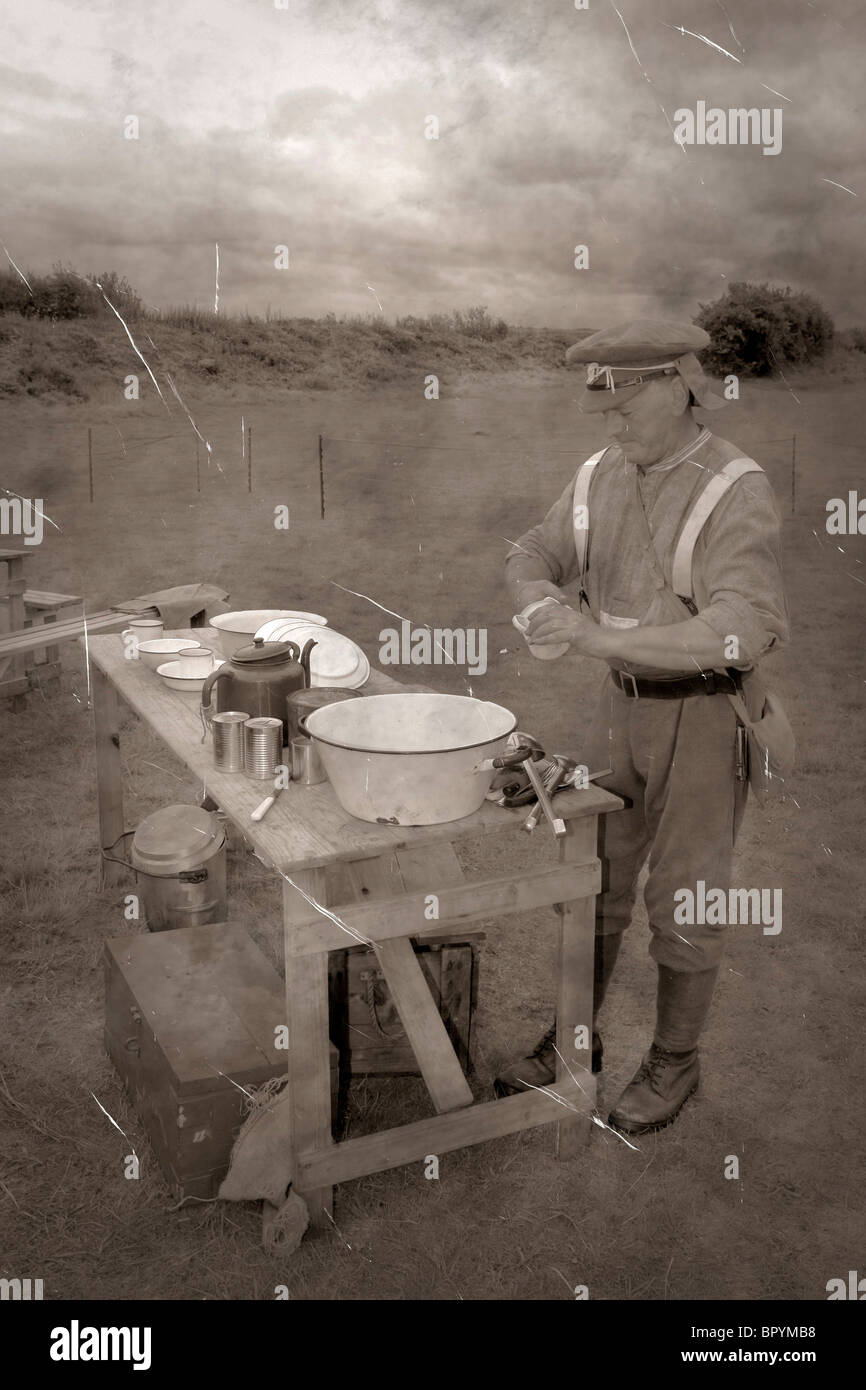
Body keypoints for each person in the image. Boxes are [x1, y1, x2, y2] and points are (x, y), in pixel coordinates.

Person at [495, 319, 789, 1134]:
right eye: (605, 410)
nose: (610, 424)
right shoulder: (600, 475)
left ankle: (674, 1062)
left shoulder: (736, 487)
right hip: (617, 710)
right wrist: (541, 607)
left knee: (685, 897)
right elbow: (529, 553)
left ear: (674, 388)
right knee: (592, 876)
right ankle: (572, 1041)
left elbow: (744, 626)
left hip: (702, 712)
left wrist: (598, 637)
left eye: (624, 407)